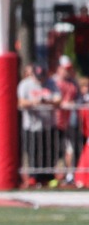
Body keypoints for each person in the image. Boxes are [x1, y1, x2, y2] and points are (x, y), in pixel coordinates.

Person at [17, 64, 59, 188]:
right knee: (33, 151)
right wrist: (33, 103)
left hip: (47, 124)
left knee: (48, 151)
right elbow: (20, 101)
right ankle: (34, 177)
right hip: (31, 125)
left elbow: (58, 99)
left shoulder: (51, 83)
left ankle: (48, 177)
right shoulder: (25, 84)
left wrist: (47, 101)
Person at [46, 55, 79, 185]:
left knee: (71, 149)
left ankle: (70, 175)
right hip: (56, 122)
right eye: (65, 69)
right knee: (57, 150)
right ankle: (54, 175)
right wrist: (63, 103)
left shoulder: (73, 82)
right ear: (59, 68)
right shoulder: (53, 82)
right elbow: (52, 99)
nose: (67, 71)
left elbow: (77, 98)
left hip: (70, 122)